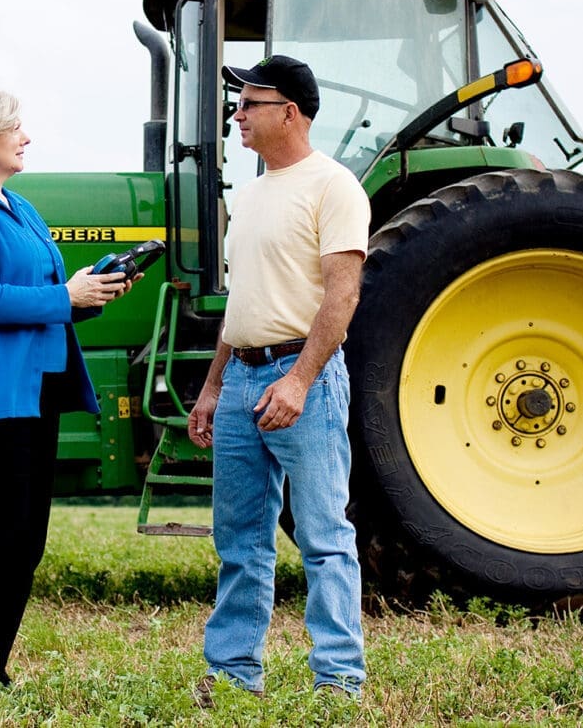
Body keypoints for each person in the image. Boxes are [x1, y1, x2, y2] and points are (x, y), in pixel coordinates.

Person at [0, 89, 131, 711]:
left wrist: (92, 292)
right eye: (14, 127)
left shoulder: (22, 208)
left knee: (24, 539)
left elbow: (45, 295)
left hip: (36, 387)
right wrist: (70, 296)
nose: (25, 137)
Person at [187, 55, 371, 702]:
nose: (236, 114)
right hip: (240, 381)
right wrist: (213, 386)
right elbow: (243, 304)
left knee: (324, 539)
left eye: (248, 104)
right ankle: (235, 675)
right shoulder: (254, 192)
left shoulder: (334, 187)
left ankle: (339, 680)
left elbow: (341, 298)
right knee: (239, 541)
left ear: (288, 112)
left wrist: (297, 380)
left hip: (306, 382)